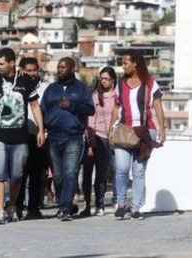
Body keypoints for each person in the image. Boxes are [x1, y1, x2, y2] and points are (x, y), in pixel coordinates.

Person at [0, 47, 45, 225]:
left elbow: (35, 106)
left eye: (1, 64)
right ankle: (0, 211)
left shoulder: (25, 80)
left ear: (11, 63)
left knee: (17, 175)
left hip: (20, 137)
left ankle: (11, 205)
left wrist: (41, 129)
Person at [109, 50, 166, 220]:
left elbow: (157, 106)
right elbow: (116, 107)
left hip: (144, 131)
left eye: (125, 63)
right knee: (121, 169)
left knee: (139, 172)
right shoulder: (120, 84)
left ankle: (136, 208)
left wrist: (162, 128)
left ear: (135, 64)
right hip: (124, 130)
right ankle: (120, 204)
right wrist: (110, 128)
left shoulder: (150, 83)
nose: (123, 66)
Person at [41, 57, 94, 221]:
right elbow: (42, 110)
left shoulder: (82, 88)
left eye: (63, 67)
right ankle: (64, 204)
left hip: (73, 136)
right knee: (57, 176)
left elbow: (90, 109)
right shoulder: (51, 89)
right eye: (59, 67)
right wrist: (43, 129)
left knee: (71, 172)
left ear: (72, 69)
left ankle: (65, 207)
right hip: (53, 136)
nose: (60, 70)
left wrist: (71, 106)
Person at [83, 66, 118, 217]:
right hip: (97, 137)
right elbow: (91, 118)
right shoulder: (96, 96)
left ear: (113, 80)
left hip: (114, 138)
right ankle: (94, 204)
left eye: (106, 79)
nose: (103, 81)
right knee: (94, 173)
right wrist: (90, 140)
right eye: (101, 78)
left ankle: (111, 202)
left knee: (112, 172)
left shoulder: (118, 96)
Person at [18, 56, 48, 220]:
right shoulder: (15, 87)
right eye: (28, 71)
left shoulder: (45, 89)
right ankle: (17, 207)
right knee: (19, 174)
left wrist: (43, 131)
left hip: (38, 136)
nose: (32, 73)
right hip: (19, 136)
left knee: (37, 174)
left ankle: (34, 208)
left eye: (34, 70)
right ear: (21, 70)